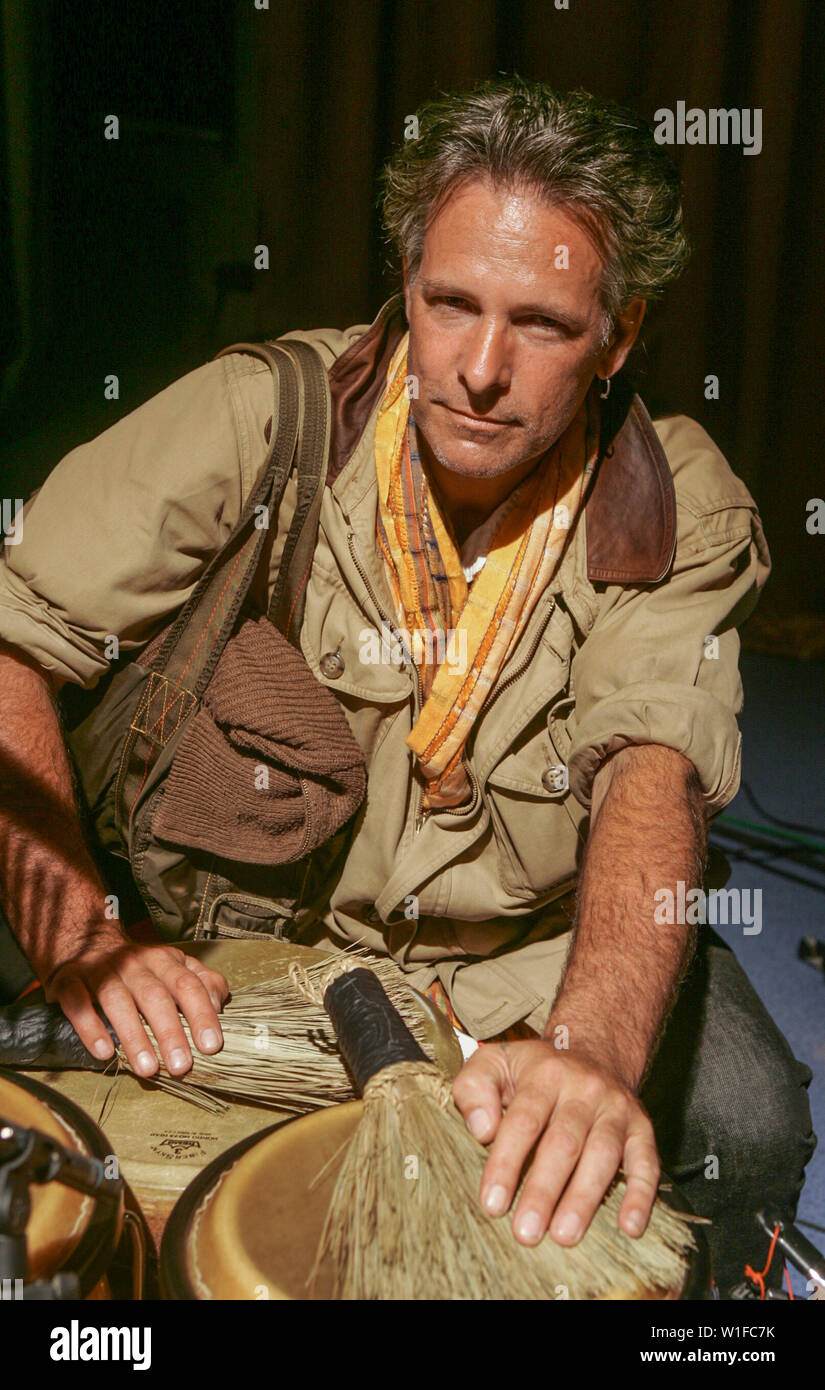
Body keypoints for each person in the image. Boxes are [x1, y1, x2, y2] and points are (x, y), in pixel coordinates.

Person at [0, 78, 814, 1296]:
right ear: (407, 289)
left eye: (541, 323)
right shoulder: (259, 421)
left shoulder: (668, 501)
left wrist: (584, 1049)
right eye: (450, 305)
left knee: (745, 1124)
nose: (481, 368)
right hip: (243, 934)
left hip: (518, 956)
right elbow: (14, 632)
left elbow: (658, 765)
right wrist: (78, 932)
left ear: (621, 335)